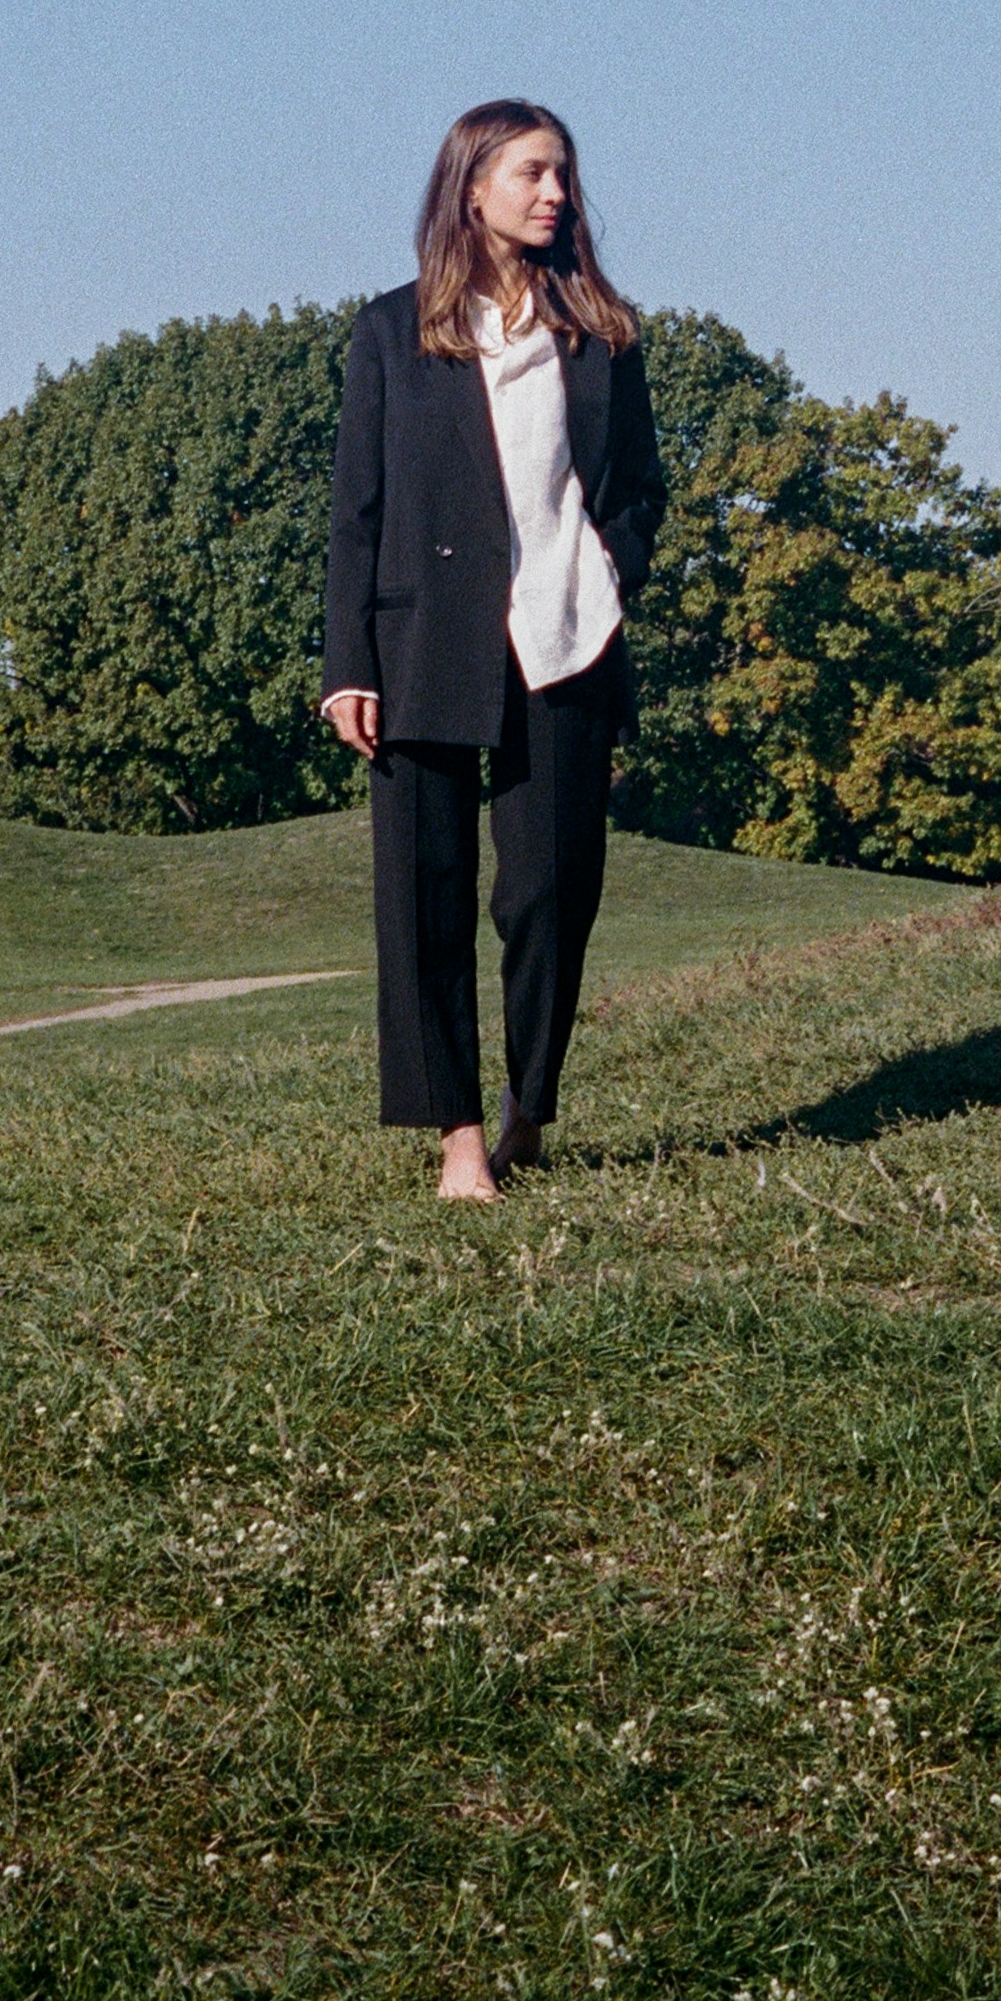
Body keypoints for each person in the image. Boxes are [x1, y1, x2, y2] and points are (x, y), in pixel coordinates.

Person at [320, 101, 667, 1200]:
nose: (556, 192)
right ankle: (457, 1134)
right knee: (424, 892)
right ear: (474, 186)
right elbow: (356, 512)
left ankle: (529, 1102)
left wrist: (609, 574)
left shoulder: (605, 336)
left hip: (567, 633)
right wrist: (348, 663)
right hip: (422, 637)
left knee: (554, 889)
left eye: (563, 173)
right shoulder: (392, 332)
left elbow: (641, 492)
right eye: (532, 173)